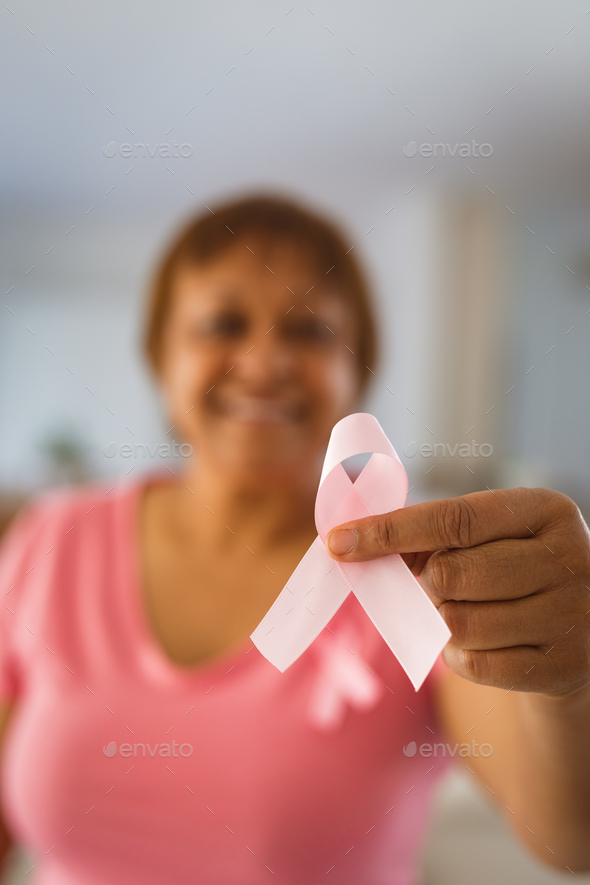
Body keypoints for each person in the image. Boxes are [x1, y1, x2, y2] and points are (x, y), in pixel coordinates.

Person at [0, 195, 589, 884]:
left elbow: (570, 836)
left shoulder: (425, 575)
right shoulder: (52, 540)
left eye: (308, 330)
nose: (265, 360)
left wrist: (570, 686)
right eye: (223, 323)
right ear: (161, 358)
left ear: (357, 370)